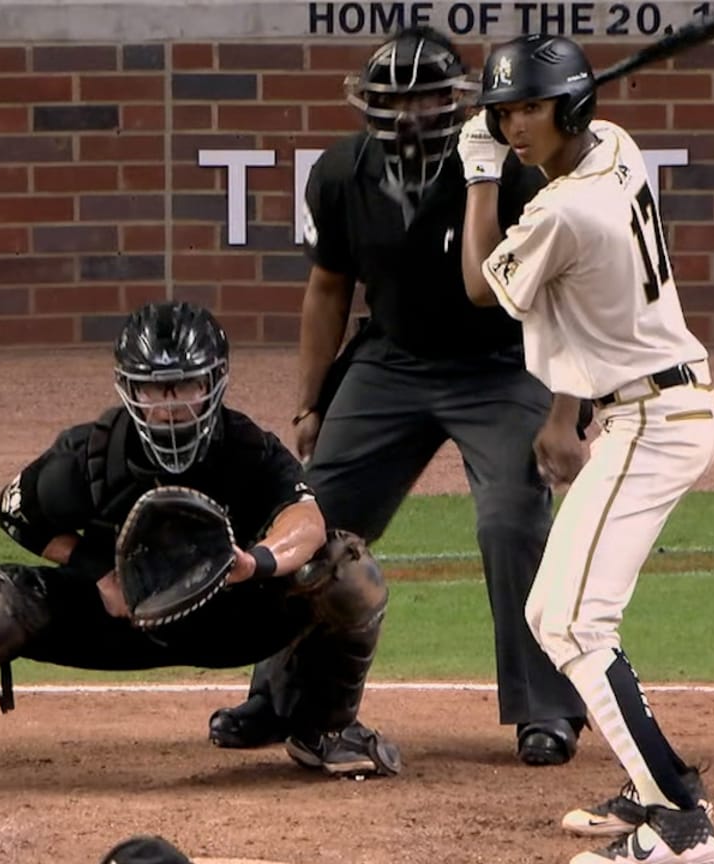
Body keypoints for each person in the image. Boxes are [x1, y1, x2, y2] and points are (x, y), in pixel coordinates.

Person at [0, 301, 401, 795]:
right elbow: (13, 511)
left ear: (214, 383)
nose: (170, 406)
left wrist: (252, 564)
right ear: (128, 390)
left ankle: (322, 730)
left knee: (350, 570)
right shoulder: (90, 455)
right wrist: (96, 573)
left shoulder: (246, 446)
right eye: (154, 390)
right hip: (117, 622)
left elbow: (309, 521)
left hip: (231, 616)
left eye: (184, 385)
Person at [206, 24, 589, 767]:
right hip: (391, 360)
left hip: (505, 364)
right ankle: (280, 695)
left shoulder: (513, 170)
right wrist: (311, 403)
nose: (410, 115)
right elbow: (327, 290)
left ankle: (547, 708)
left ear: (459, 100)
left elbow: (571, 299)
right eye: (394, 101)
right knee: (308, 518)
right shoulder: (341, 172)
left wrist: (566, 412)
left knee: (512, 518)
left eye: (426, 99)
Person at [458, 34, 714, 864]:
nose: (512, 129)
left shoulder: (560, 211)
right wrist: (566, 414)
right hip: (644, 407)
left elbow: (477, 284)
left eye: (530, 109)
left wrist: (476, 175)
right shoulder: (616, 146)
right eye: (501, 114)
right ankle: (661, 784)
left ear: (572, 107)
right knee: (554, 613)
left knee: (573, 622)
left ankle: (681, 827)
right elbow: (577, 308)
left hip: (654, 421)